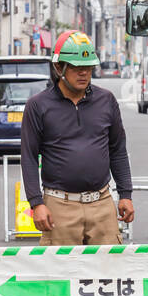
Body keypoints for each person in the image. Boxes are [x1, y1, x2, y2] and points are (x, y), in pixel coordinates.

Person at [22, 30, 134, 245]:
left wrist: (125, 194)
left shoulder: (107, 100)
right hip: (58, 205)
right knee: (61, 275)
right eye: (75, 68)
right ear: (58, 67)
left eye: (88, 68)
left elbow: (117, 150)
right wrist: (36, 204)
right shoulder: (38, 105)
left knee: (108, 272)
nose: (83, 73)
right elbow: (28, 157)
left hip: (102, 203)